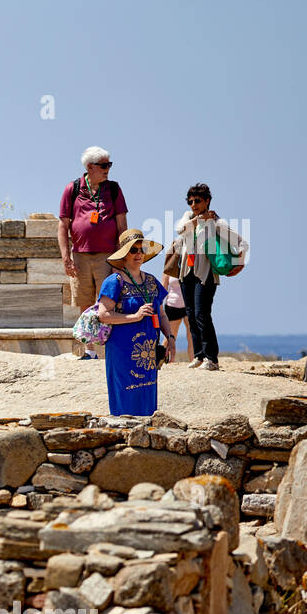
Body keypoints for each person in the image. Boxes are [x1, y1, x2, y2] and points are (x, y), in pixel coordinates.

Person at [164, 183, 248, 371]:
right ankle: (199, 356)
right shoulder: (188, 218)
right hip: (186, 273)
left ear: (207, 200)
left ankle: (212, 358)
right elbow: (180, 229)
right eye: (191, 201)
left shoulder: (216, 222)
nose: (193, 204)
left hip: (206, 274)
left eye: (198, 201)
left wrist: (239, 264)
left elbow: (241, 242)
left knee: (202, 314)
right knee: (191, 315)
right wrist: (199, 219)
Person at [59, 146, 128, 359]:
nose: (108, 169)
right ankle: (89, 351)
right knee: (85, 303)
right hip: (80, 254)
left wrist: (122, 256)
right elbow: (62, 225)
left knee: (108, 302)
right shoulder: (73, 188)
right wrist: (66, 258)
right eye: (103, 165)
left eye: (109, 165)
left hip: (108, 255)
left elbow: (122, 226)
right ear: (90, 167)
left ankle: (110, 351)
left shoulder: (114, 189)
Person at [96, 229, 173, 416]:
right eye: (133, 250)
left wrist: (170, 338)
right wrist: (134, 316)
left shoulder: (153, 282)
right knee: (125, 397)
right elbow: (103, 315)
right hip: (121, 351)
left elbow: (161, 314)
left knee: (146, 394)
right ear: (124, 254)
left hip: (147, 352)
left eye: (141, 249)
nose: (138, 254)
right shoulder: (113, 282)